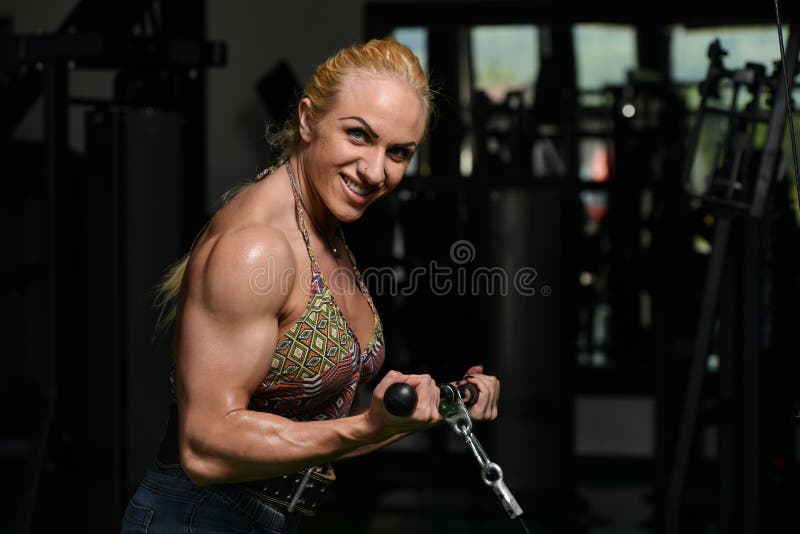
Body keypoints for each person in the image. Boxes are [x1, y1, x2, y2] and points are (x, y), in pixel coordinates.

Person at [121, 37, 501, 534]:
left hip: (272, 516)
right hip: (198, 519)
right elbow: (205, 447)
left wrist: (441, 406)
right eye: (359, 135)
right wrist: (368, 426)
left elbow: (329, 428)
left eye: (399, 153)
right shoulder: (257, 247)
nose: (374, 170)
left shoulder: (324, 227)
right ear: (307, 120)